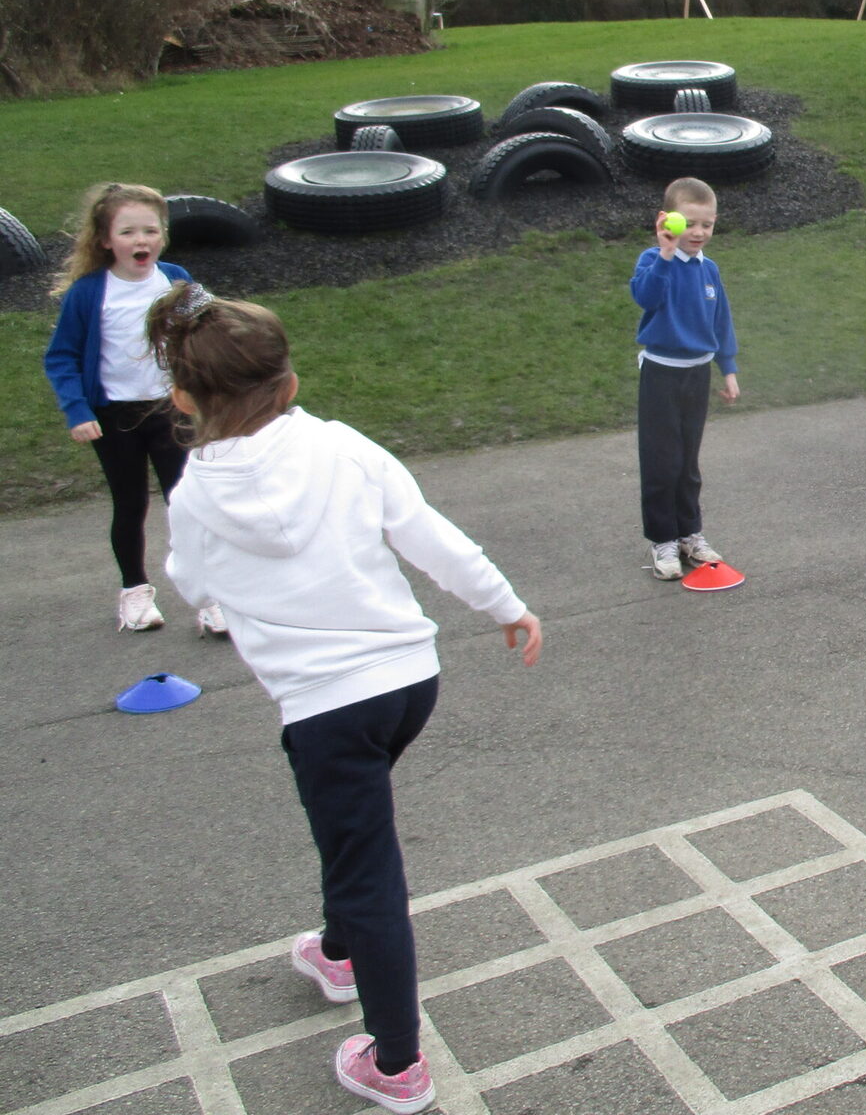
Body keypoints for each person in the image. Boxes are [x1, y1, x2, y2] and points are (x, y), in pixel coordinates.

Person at [151, 283, 543, 1115]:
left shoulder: (193, 495)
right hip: (408, 683)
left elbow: (188, 581)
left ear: (182, 400)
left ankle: (396, 1064)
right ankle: (336, 952)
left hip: (329, 709)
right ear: (288, 385)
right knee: (350, 827)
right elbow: (430, 534)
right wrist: (506, 605)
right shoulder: (342, 447)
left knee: (367, 869)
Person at [42, 181, 225, 635]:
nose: (140, 241)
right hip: (113, 418)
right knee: (128, 505)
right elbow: (61, 356)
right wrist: (77, 411)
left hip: (172, 410)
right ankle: (135, 593)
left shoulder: (177, 279)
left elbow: (212, 325)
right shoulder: (88, 292)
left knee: (186, 504)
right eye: (128, 232)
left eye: (150, 230)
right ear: (105, 239)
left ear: (162, 236)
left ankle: (210, 598)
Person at [630, 175, 739, 581]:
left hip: (696, 376)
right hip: (660, 374)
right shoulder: (653, 261)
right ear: (666, 220)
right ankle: (663, 539)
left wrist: (727, 369)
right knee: (661, 461)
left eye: (706, 225)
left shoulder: (709, 270)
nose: (698, 233)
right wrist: (664, 252)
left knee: (688, 463)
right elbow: (646, 298)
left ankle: (690, 533)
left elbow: (721, 322)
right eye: (690, 223)